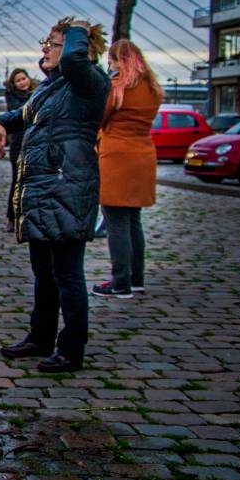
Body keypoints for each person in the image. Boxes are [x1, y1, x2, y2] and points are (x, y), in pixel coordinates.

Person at [0, 17, 110, 373]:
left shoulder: (89, 83)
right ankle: (40, 335)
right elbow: (20, 114)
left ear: (76, 47)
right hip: (41, 190)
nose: (43, 48)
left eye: (51, 43)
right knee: (43, 271)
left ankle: (71, 348)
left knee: (68, 274)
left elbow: (74, 60)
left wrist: (78, 30)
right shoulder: (50, 88)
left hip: (67, 188)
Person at [91, 39, 163, 298]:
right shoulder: (153, 87)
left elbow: (100, 117)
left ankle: (120, 283)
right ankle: (136, 279)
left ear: (117, 59)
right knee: (134, 221)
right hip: (143, 154)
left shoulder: (117, 87)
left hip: (116, 156)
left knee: (115, 222)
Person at [1, 69, 37, 232]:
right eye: (18, 80)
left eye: (24, 78)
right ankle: (12, 217)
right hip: (19, 144)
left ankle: (31, 217)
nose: (22, 82)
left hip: (35, 142)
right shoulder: (12, 96)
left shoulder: (38, 92)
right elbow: (20, 112)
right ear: (14, 84)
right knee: (17, 180)